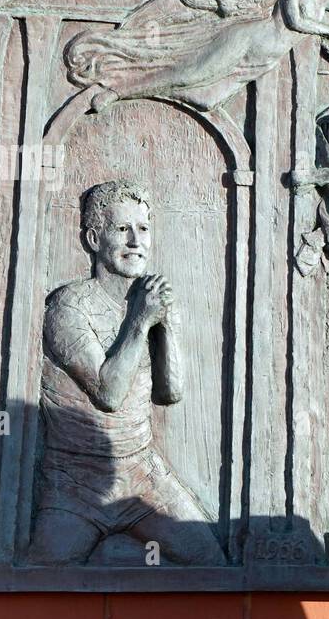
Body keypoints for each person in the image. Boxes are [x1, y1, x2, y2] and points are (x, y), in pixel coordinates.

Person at [29, 179, 225, 566]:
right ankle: (114, 552)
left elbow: (171, 392)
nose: (136, 241)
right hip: (78, 482)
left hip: (142, 474)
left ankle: (120, 552)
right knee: (40, 576)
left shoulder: (150, 301)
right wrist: (141, 320)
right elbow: (108, 393)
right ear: (92, 238)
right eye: (122, 229)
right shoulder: (68, 306)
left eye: (144, 229)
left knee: (211, 562)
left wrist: (165, 324)